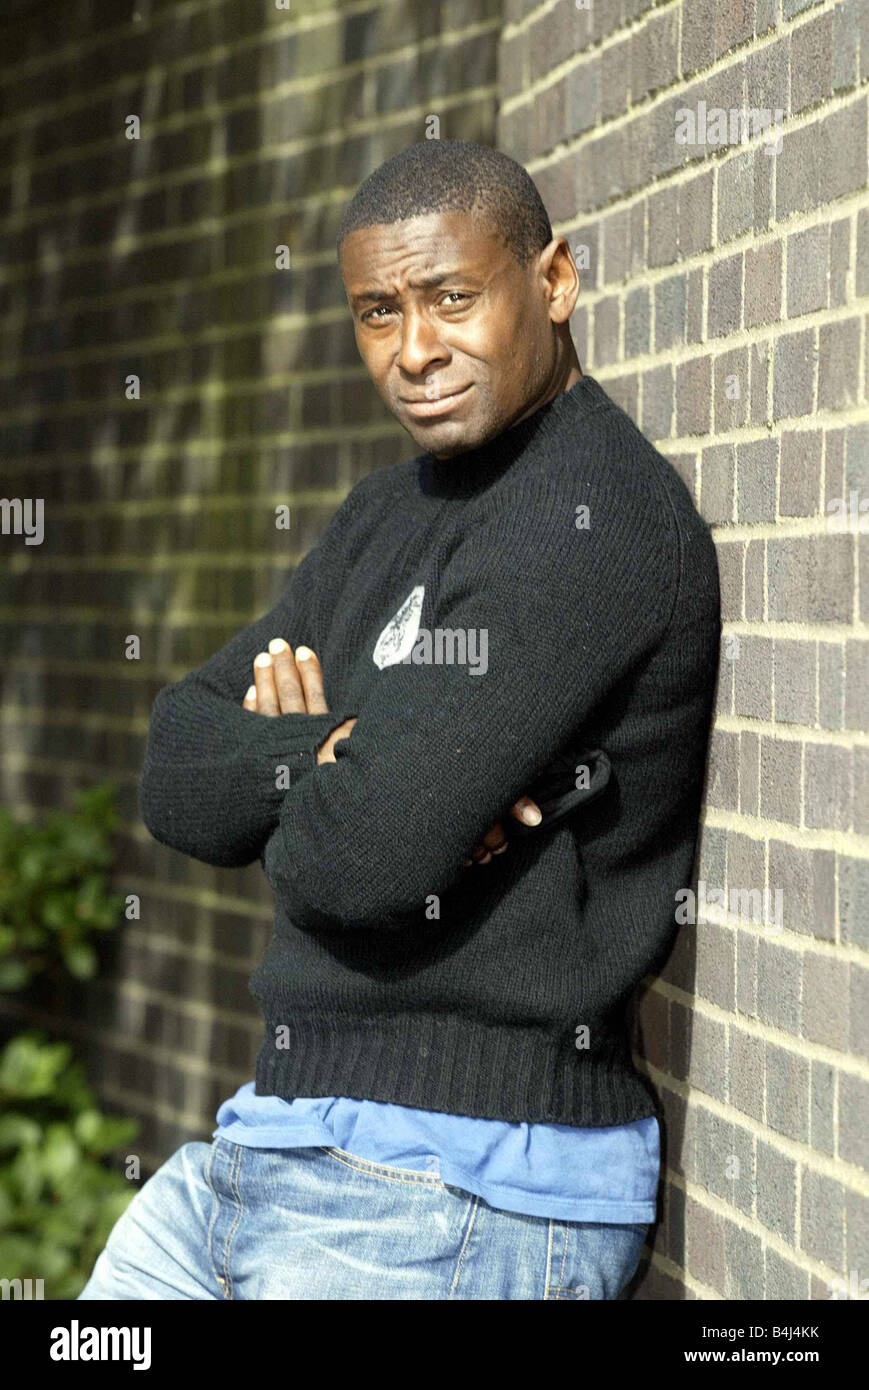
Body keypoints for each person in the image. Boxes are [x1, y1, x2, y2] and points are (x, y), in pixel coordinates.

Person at [79, 140, 721, 1301]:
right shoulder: (381, 513)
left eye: (451, 300)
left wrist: (344, 778)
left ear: (554, 282)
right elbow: (175, 763)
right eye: (378, 313)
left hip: (468, 1181)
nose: (414, 351)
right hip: (259, 1145)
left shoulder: (585, 519)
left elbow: (359, 854)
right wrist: (332, 752)